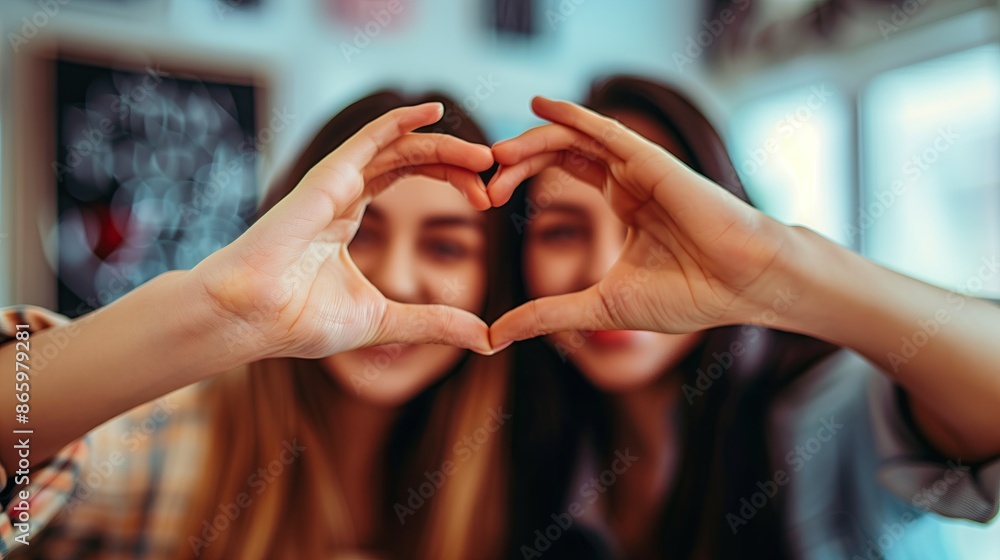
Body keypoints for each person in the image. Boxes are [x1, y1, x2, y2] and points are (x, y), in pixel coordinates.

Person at [490, 79, 1000, 559]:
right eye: (561, 232)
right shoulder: (527, 445)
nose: (606, 272)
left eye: (655, 224)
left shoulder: (817, 408)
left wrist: (775, 266)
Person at [0, 91, 514, 559]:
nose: (396, 280)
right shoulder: (150, 453)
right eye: (360, 233)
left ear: (492, 283)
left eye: (447, 247)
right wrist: (217, 311)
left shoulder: (518, 484)